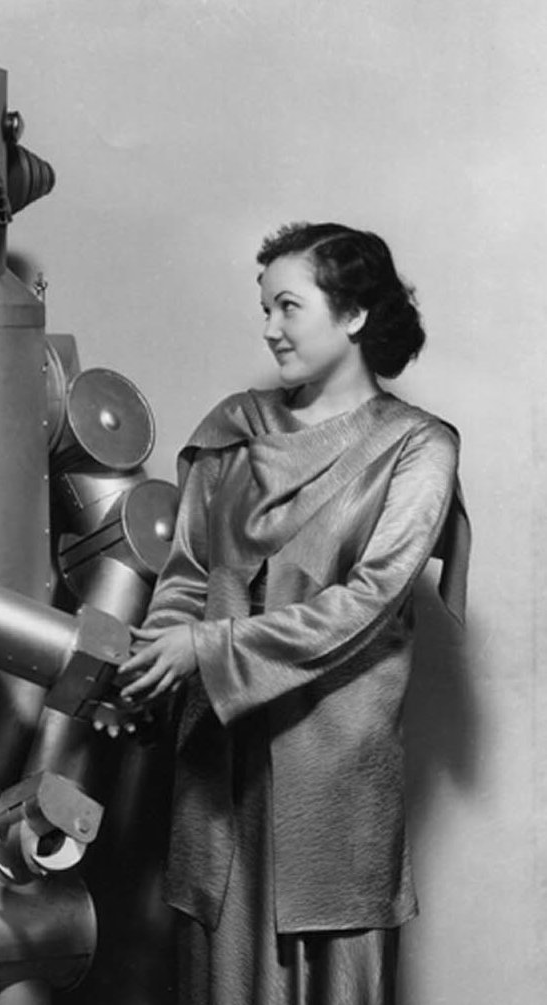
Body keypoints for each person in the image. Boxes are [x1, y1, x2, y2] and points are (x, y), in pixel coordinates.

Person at [115, 222, 470, 1005]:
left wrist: (207, 647)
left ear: (354, 315)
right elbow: (188, 571)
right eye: (265, 308)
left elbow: (369, 601)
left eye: (289, 306)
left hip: (336, 771)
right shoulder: (234, 430)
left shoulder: (416, 448)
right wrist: (160, 651)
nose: (270, 328)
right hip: (219, 766)